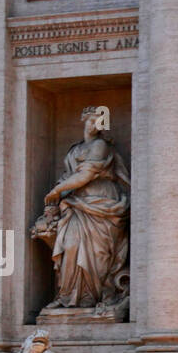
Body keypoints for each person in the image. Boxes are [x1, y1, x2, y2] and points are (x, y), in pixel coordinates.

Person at [32, 107, 130, 310]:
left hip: (101, 203)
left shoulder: (101, 146)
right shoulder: (74, 149)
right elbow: (69, 176)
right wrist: (58, 197)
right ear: (84, 120)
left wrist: (57, 190)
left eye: (99, 123)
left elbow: (86, 175)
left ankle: (94, 298)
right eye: (92, 121)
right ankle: (67, 296)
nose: (94, 126)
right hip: (76, 204)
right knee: (70, 246)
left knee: (98, 253)